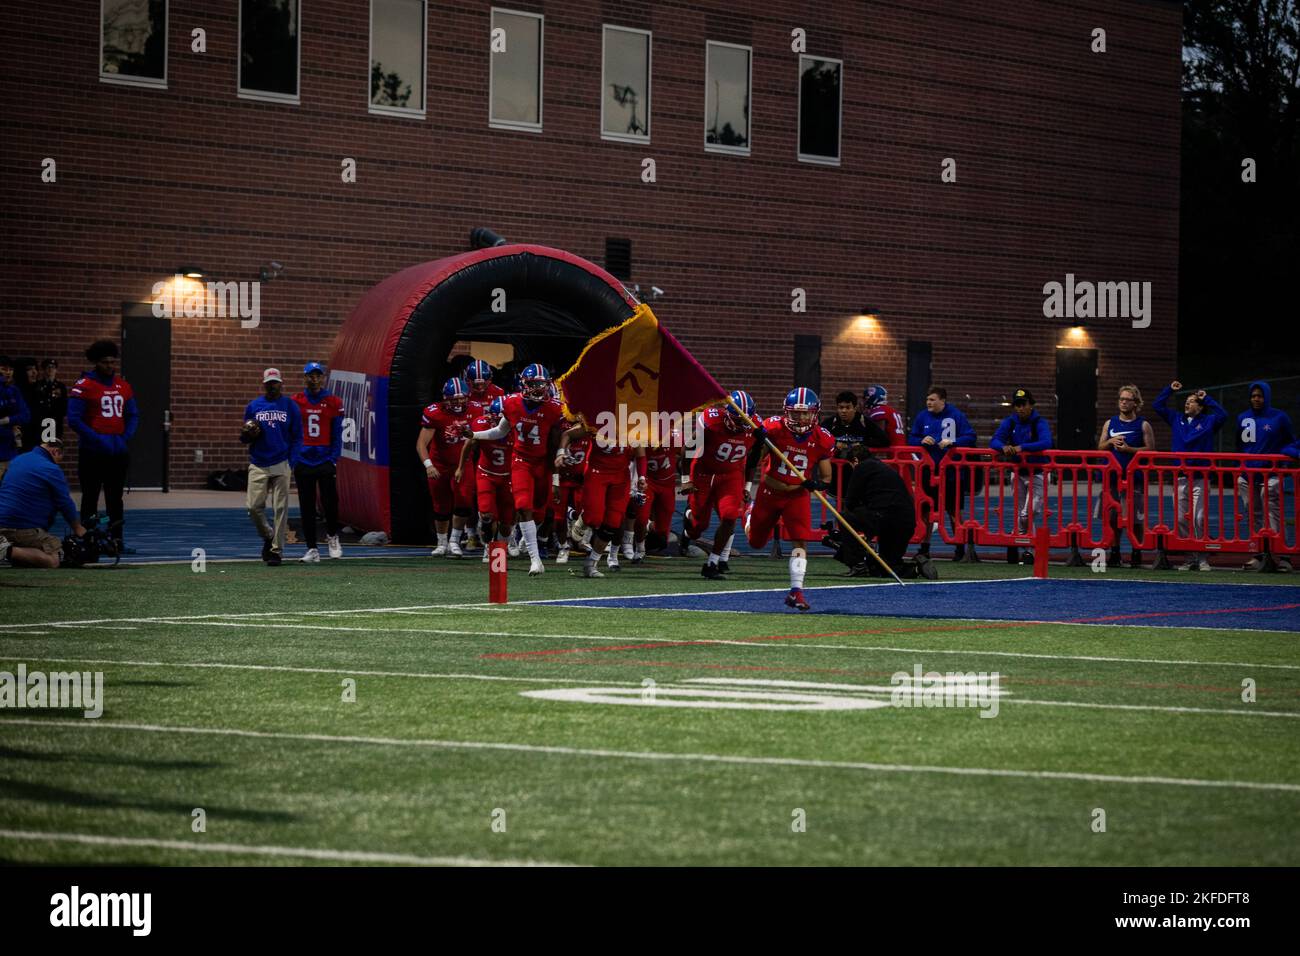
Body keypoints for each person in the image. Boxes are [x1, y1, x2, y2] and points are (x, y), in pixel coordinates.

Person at [469, 364, 569, 576]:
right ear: (524, 384)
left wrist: (558, 464)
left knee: (540, 511)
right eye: (533, 384)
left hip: (543, 464)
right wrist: (475, 435)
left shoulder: (554, 408)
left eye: (541, 384)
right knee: (523, 506)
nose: (537, 388)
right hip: (521, 461)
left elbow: (558, 440)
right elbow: (500, 431)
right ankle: (535, 560)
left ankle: (528, 542)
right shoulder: (512, 403)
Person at [745, 387, 837, 611]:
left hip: (797, 495)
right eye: (796, 413)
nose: (801, 417)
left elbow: (827, 477)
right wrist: (759, 443)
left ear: (815, 413)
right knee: (756, 543)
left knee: (800, 540)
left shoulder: (823, 438)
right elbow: (752, 462)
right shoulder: (773, 428)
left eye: (806, 413)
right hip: (770, 492)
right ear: (787, 412)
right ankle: (749, 515)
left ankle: (796, 590)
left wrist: (814, 484)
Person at [67, 340, 137, 552]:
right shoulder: (84, 385)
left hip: (117, 451)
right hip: (93, 452)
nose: (110, 366)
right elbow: (74, 419)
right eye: (105, 362)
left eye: (112, 362)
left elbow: (133, 414)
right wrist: (96, 438)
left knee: (115, 498)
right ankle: (88, 539)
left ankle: (116, 539)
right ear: (96, 362)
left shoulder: (123, 385)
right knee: (90, 496)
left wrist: (124, 437)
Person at [681, 390, 761, 578]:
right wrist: (686, 480)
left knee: (730, 516)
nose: (741, 424)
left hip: (730, 475)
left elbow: (753, 460)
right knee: (697, 527)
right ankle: (690, 516)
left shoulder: (756, 427)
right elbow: (688, 449)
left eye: (745, 420)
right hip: (703, 473)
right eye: (737, 419)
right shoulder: (712, 420)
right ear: (727, 413)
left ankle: (712, 563)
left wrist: (747, 486)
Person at [1151, 380, 1227, 571]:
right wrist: (1169, 389)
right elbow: (1157, 406)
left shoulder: (1208, 421)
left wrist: (1207, 398)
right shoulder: (1176, 419)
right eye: (1186, 400)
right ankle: (1190, 558)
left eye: (1192, 401)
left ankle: (1202, 558)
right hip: (1180, 477)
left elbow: (1223, 415)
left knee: (1198, 518)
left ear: (1200, 407)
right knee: (1180, 520)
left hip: (1200, 478)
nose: (1187, 403)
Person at [834, 444, 936, 579]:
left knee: (844, 518)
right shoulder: (883, 468)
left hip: (884, 518)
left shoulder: (862, 468)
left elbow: (851, 501)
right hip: (905, 523)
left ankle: (858, 565)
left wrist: (861, 534)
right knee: (888, 566)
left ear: (856, 460)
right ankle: (917, 569)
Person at [558, 425, 645, 578]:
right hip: (597, 472)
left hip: (620, 478)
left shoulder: (632, 426)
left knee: (613, 523)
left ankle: (592, 563)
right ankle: (584, 517)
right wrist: (560, 452)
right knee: (594, 518)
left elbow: (640, 454)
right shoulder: (596, 421)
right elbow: (567, 434)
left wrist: (642, 477)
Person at [241, 368, 302, 566]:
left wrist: (291, 461)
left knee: (280, 509)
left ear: (281, 383)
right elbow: (245, 435)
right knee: (253, 507)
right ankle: (268, 535)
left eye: (276, 382)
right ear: (264, 384)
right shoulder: (254, 406)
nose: (272, 386)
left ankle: (277, 551)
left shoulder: (290, 406)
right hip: (258, 462)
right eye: (269, 383)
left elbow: (297, 436)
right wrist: (247, 435)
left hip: (281, 462)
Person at [909, 386, 977, 560]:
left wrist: (953, 442)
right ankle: (924, 548)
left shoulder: (956, 415)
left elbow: (970, 437)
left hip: (952, 472)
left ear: (942, 400)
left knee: (954, 510)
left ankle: (960, 548)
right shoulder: (922, 416)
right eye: (927, 400)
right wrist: (920, 440)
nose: (929, 403)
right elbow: (911, 438)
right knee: (926, 511)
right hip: (927, 471)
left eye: (932, 400)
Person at [1235, 381, 1295, 572]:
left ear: (1267, 396)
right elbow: (1239, 445)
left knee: (1273, 514)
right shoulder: (1242, 417)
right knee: (1253, 515)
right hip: (1248, 474)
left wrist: (1284, 460)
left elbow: (1291, 442)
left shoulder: (1280, 417)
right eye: (1253, 396)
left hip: (1271, 473)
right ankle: (1259, 553)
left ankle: (1283, 556)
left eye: (1260, 395)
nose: (1256, 399)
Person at [989, 388, 1053, 564]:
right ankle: (1028, 551)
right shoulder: (1010, 422)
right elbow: (994, 440)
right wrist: (1002, 447)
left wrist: (1022, 447)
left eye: (1023, 404)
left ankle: (1017, 539)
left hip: (1037, 473)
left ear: (1031, 405)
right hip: (1017, 472)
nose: (1020, 408)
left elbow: (1047, 442)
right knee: (1021, 513)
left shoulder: (1039, 422)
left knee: (1026, 514)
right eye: (1017, 405)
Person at [0, 437, 85, 568]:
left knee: (27, 557)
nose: (58, 464)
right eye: (59, 460)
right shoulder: (51, 469)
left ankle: (8, 548)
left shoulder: (18, 460)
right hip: (20, 527)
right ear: (56, 451)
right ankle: (6, 550)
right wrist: (78, 528)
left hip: (3, 522)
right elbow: (65, 503)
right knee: (53, 558)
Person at [290, 362, 344, 563]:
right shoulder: (295, 401)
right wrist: (294, 457)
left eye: (317, 376)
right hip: (304, 460)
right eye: (310, 376)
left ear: (323, 378)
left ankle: (332, 536)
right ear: (304, 378)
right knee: (306, 506)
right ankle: (312, 548)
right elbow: (291, 431)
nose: (314, 379)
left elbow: (337, 433)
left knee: (331, 503)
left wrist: (333, 458)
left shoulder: (333, 401)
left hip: (324, 459)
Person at [1097, 384, 1156, 568]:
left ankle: (1136, 553)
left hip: (1134, 478)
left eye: (1127, 399)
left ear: (1135, 403)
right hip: (1112, 478)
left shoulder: (1143, 424)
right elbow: (1100, 447)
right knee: (1112, 518)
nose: (1123, 402)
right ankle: (1115, 554)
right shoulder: (1110, 423)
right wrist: (1110, 441)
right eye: (1121, 399)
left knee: (1135, 519)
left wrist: (1129, 449)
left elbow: (1151, 449)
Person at [417, 378, 475, 558]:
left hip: (463, 464)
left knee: (464, 501)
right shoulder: (435, 413)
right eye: (453, 399)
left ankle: (454, 541)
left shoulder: (477, 409)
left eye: (461, 398)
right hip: (440, 464)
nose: (458, 402)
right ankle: (441, 543)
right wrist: (429, 465)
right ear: (445, 398)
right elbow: (421, 443)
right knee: (441, 505)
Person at [458, 396, 516, 564]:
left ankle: (499, 550)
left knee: (506, 522)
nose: (496, 422)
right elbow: (469, 444)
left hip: (509, 477)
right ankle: (488, 546)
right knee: (486, 514)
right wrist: (461, 467)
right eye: (493, 417)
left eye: (500, 418)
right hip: (486, 473)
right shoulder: (481, 423)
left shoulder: (517, 428)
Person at [633, 438, 682, 564]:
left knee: (662, 537)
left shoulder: (674, 436)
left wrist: (687, 477)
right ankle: (639, 549)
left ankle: (647, 533)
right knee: (641, 518)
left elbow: (686, 455)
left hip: (667, 485)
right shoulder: (641, 436)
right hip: (648, 483)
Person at [550, 428, 589, 564]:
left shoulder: (589, 426)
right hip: (563, 478)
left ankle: (573, 520)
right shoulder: (561, 426)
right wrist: (554, 481)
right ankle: (563, 547)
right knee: (559, 517)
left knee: (586, 513)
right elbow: (553, 453)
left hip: (581, 479)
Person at [821, 391, 885, 457]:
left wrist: (861, 444)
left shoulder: (864, 421)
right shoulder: (830, 422)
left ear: (855, 408)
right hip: (836, 464)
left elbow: (884, 440)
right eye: (841, 408)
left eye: (848, 408)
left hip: (859, 464)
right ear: (837, 408)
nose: (844, 411)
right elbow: (817, 438)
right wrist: (834, 443)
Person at [0, 355, 31, 485]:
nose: (8, 372)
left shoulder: (14, 390)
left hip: (11, 449)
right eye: (4, 369)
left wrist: (7, 420)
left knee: (10, 488)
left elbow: (25, 416)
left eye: (10, 369)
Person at [32, 358, 68, 444]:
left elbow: (64, 405)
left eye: (53, 367)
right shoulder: (37, 385)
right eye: (48, 367)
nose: (50, 369)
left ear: (56, 370)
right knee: (42, 445)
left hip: (55, 422)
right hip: (41, 422)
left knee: (54, 447)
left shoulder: (60, 386)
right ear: (44, 370)